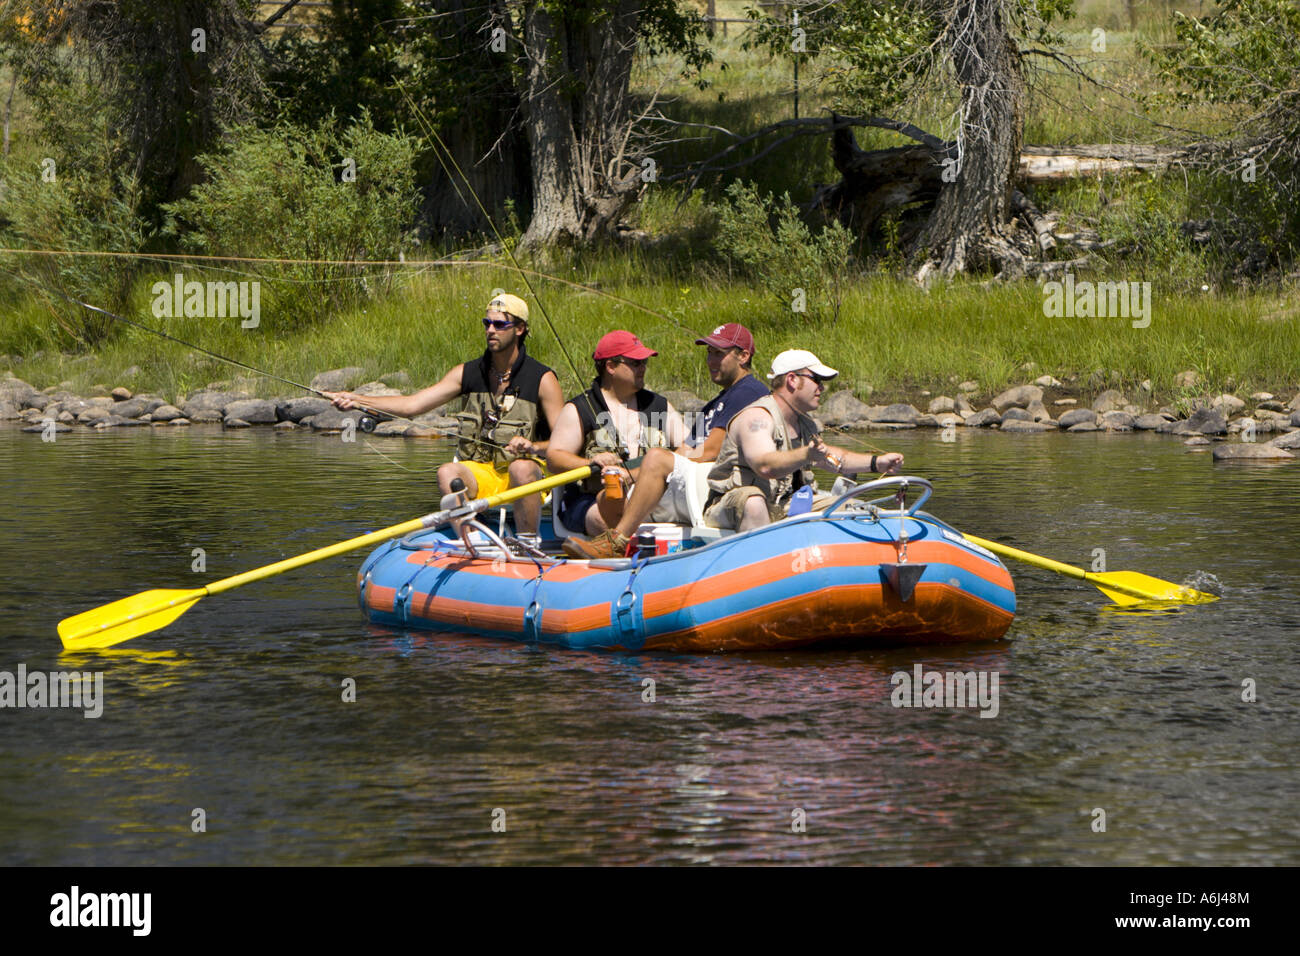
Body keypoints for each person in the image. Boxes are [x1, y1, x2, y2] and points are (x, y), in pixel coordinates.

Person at [324, 293, 564, 541]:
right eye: (487, 323)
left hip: (531, 477)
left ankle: (526, 543)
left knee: (521, 468)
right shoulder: (467, 373)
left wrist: (533, 446)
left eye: (500, 324)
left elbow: (564, 444)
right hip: (482, 472)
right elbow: (412, 405)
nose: (491, 330)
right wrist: (356, 400)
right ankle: (471, 541)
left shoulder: (543, 379)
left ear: (520, 329)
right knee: (447, 472)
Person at [704, 349, 904, 531]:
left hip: (781, 505)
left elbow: (833, 458)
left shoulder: (805, 423)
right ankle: (763, 565)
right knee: (753, 502)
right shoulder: (757, 418)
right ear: (792, 379)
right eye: (816, 379)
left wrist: (877, 463)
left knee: (849, 508)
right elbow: (765, 466)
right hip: (730, 506)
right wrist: (806, 454)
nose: (822, 388)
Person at [547, 330, 696, 559]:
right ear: (611, 367)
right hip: (588, 498)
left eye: (644, 362)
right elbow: (554, 458)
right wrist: (590, 462)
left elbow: (692, 446)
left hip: (645, 499)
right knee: (602, 515)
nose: (643, 368)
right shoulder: (579, 408)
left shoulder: (658, 405)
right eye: (636, 363)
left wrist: (638, 474)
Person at [682, 323, 769, 463]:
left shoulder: (749, 393)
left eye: (718, 353)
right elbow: (685, 448)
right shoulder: (712, 406)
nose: (710, 361)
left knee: (656, 458)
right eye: (709, 352)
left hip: (725, 479)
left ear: (743, 356)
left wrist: (669, 464)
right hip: (696, 473)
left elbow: (712, 451)